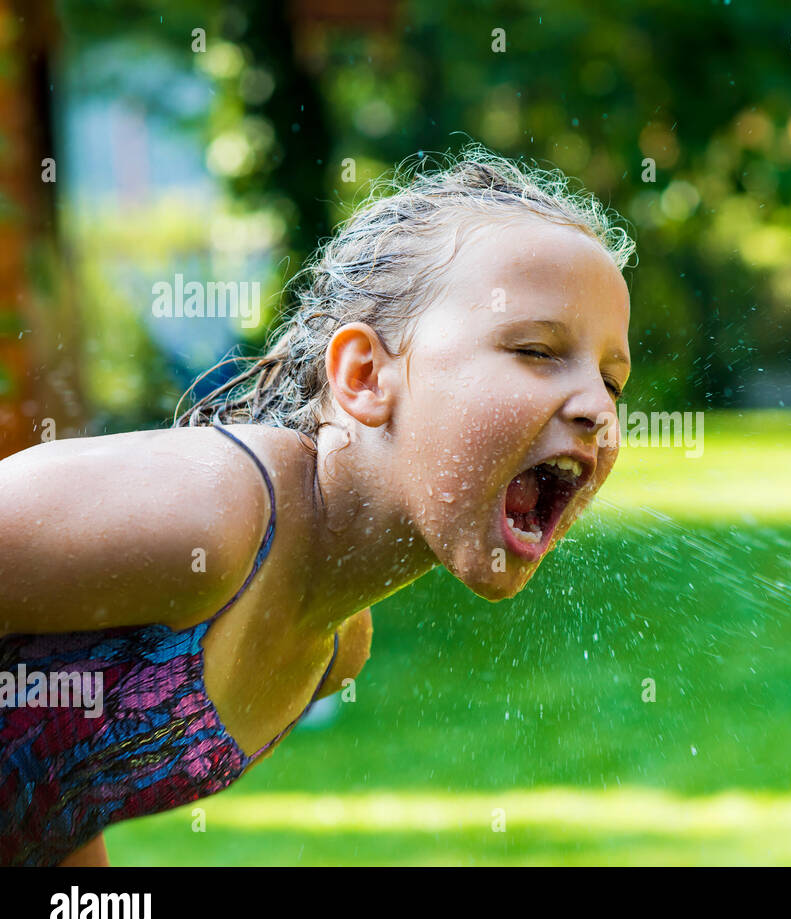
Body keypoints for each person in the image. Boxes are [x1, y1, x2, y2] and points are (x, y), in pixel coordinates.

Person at [0, 142, 635, 865]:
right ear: (365, 375)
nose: (597, 408)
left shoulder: (332, 649)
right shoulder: (209, 516)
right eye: (537, 350)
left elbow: (51, 792)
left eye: (613, 382)